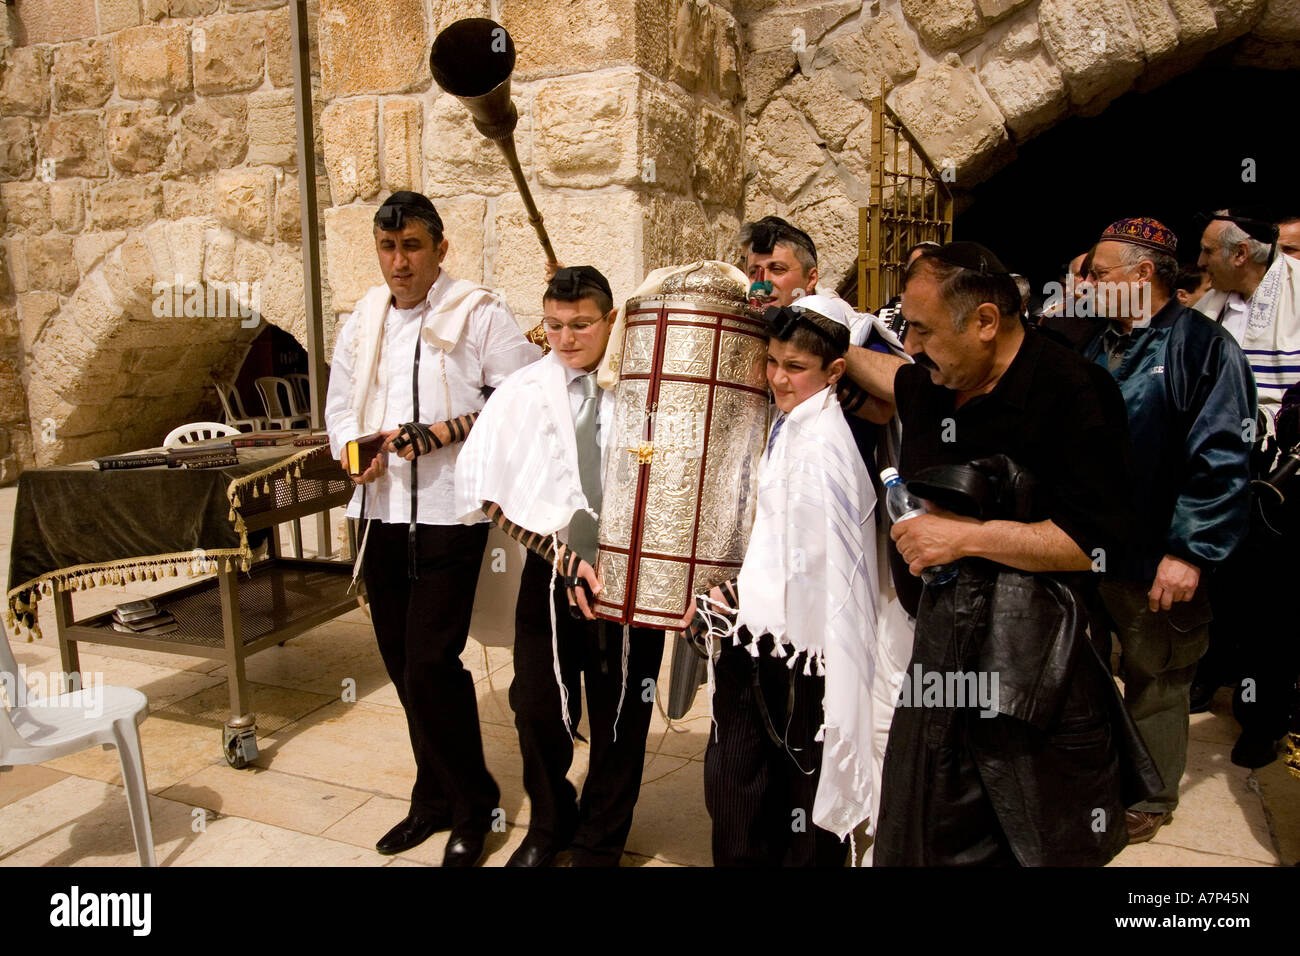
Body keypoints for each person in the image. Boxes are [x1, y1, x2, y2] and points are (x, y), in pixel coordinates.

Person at [846, 241, 1159, 866]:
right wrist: (821, 340)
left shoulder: (1074, 392)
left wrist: (963, 536)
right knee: (922, 833)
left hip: (1033, 673)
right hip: (936, 654)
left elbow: (1099, 542)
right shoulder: (936, 378)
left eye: (924, 328)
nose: (911, 343)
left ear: (985, 322)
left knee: (1029, 841)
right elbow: (892, 375)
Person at [323, 191, 540, 865]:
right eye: (388, 247)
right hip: (381, 513)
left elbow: (521, 397)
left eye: (412, 246)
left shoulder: (478, 312)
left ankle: (475, 806)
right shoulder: (363, 319)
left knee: (429, 663)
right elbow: (338, 406)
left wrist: (445, 433)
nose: (399, 262)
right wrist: (351, 454)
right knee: (399, 666)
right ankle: (431, 796)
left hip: (451, 513)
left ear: (440, 249)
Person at [455, 265, 665, 867]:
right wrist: (560, 555)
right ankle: (549, 823)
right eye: (553, 326)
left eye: (580, 325)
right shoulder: (522, 392)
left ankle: (601, 839)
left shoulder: (643, 388)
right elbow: (490, 492)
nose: (566, 338)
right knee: (538, 706)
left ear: (610, 321)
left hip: (631, 576)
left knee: (622, 711)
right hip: (551, 574)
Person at [678, 295, 877, 866]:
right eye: (772, 362)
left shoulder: (822, 445)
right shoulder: (794, 424)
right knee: (740, 785)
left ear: (835, 371)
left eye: (795, 368)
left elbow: (818, 568)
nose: (778, 378)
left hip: (797, 655)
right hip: (763, 638)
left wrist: (737, 602)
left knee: (788, 792)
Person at [1079, 218, 1254, 840]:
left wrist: (1190, 550)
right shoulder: (1099, 342)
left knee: (1160, 675)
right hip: (1094, 549)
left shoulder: (1204, 348)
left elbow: (1224, 455)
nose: (1087, 284)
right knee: (1094, 666)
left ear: (1142, 273)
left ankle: (1149, 799)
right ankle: (1099, 776)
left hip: (1160, 553)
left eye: (1098, 275)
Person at [1192, 210, 1300, 766]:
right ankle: (1215, 674)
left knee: (1271, 604)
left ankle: (1264, 718)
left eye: (1209, 251)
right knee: (1218, 581)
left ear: (1240, 255)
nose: (1200, 261)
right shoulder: (1211, 303)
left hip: (1278, 480)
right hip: (1218, 469)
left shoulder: (1298, 295)